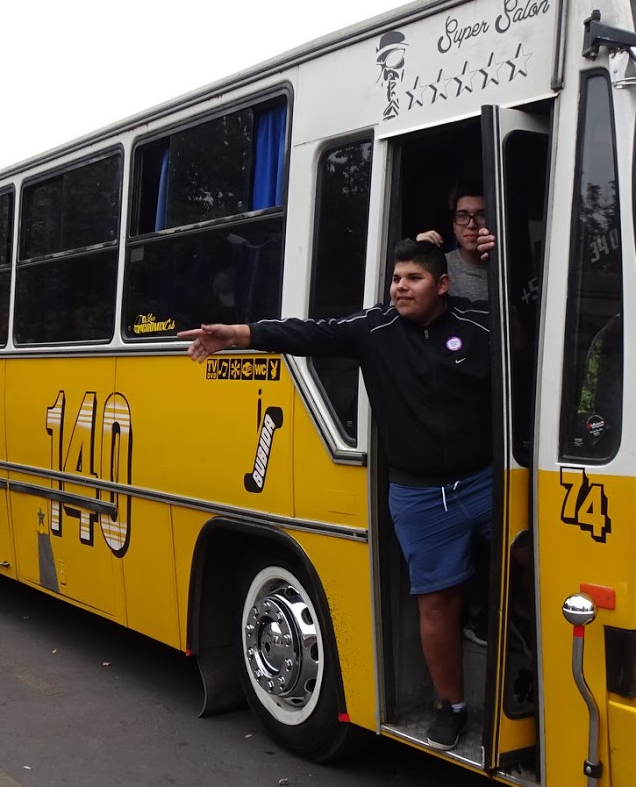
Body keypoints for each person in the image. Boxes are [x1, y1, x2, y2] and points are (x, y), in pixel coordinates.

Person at [180, 238, 492, 750]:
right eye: (396, 279)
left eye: (413, 279)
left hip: (484, 484)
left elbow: (529, 350)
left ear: (442, 285)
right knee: (437, 602)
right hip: (418, 496)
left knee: (534, 559)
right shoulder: (375, 330)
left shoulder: (480, 324)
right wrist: (235, 333)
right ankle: (451, 707)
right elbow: (306, 333)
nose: (400, 287)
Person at [416, 186, 496, 302]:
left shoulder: (505, 265)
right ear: (453, 225)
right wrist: (416, 259)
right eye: (462, 216)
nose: (471, 225)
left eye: (481, 215)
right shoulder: (438, 267)